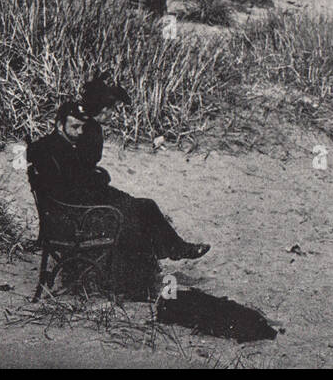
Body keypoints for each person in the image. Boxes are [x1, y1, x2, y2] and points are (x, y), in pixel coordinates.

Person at [25, 82, 209, 298]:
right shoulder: (48, 150)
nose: (79, 132)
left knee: (143, 206)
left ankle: (169, 254)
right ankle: (139, 284)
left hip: (76, 208)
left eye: (81, 127)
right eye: (74, 127)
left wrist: (95, 177)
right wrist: (97, 177)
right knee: (132, 215)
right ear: (59, 125)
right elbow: (68, 187)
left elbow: (76, 178)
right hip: (73, 218)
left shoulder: (60, 145)